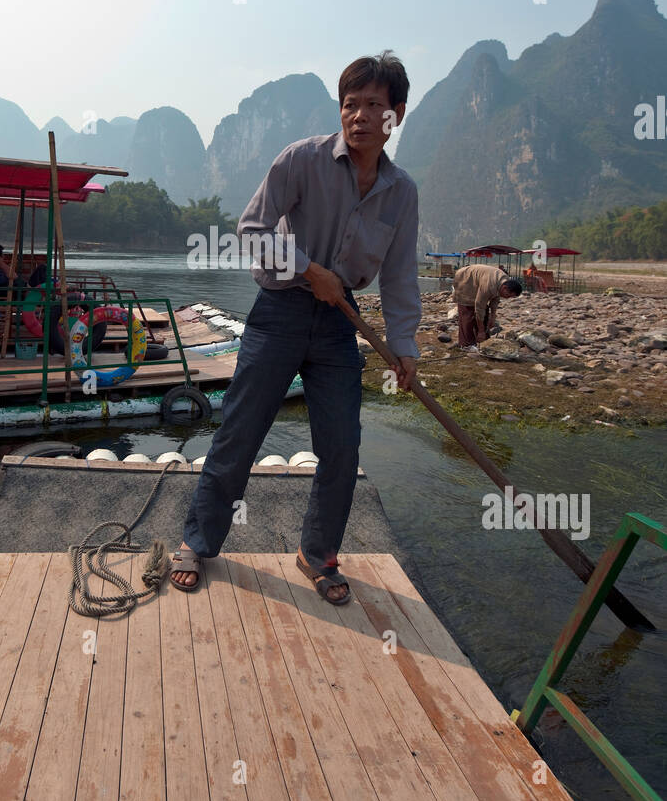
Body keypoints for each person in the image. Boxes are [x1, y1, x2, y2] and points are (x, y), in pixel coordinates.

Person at [170, 51, 421, 605]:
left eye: (373, 105)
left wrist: (405, 349)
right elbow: (252, 230)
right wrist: (310, 271)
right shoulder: (301, 161)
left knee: (342, 446)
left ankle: (318, 552)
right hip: (281, 309)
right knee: (240, 431)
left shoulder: (401, 192)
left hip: (339, 322)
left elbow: (401, 276)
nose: (358, 116)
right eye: (349, 105)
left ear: (395, 114)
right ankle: (198, 541)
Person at [453, 263, 522, 347]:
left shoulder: (505, 281)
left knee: (484, 313)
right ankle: (466, 345)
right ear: (505, 288)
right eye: (508, 295)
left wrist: (492, 317)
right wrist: (481, 330)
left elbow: (495, 299)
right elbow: (479, 306)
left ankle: (482, 341)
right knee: (467, 313)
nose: (507, 298)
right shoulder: (489, 286)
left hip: (480, 279)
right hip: (465, 277)